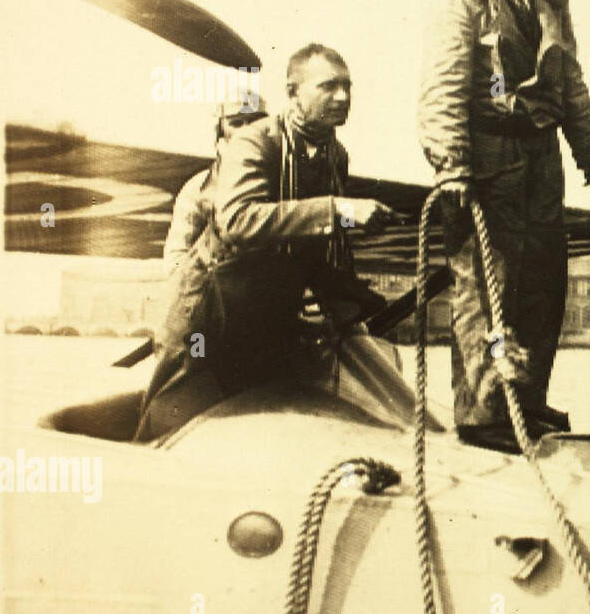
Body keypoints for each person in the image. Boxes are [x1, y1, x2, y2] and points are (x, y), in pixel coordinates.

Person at [136, 44, 396, 440]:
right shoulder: (255, 142)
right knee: (170, 425)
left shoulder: (334, 156)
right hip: (207, 322)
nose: (342, 97)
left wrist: (359, 303)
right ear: (293, 92)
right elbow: (237, 220)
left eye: (347, 86)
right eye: (328, 86)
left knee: (261, 431)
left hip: (266, 324)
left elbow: (312, 249)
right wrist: (339, 211)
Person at [418, 0, 590, 451]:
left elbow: (569, 78)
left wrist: (587, 144)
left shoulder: (550, 3)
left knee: (544, 281)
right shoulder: (462, 4)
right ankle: (482, 415)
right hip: (486, 154)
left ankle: (527, 402)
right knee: (485, 282)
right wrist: (451, 164)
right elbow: (442, 87)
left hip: (542, 157)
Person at [162, 98, 268, 273]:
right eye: (236, 123)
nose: (247, 129)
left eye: (254, 121)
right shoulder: (199, 187)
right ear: (220, 131)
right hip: (219, 289)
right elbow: (176, 256)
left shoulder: (284, 177)